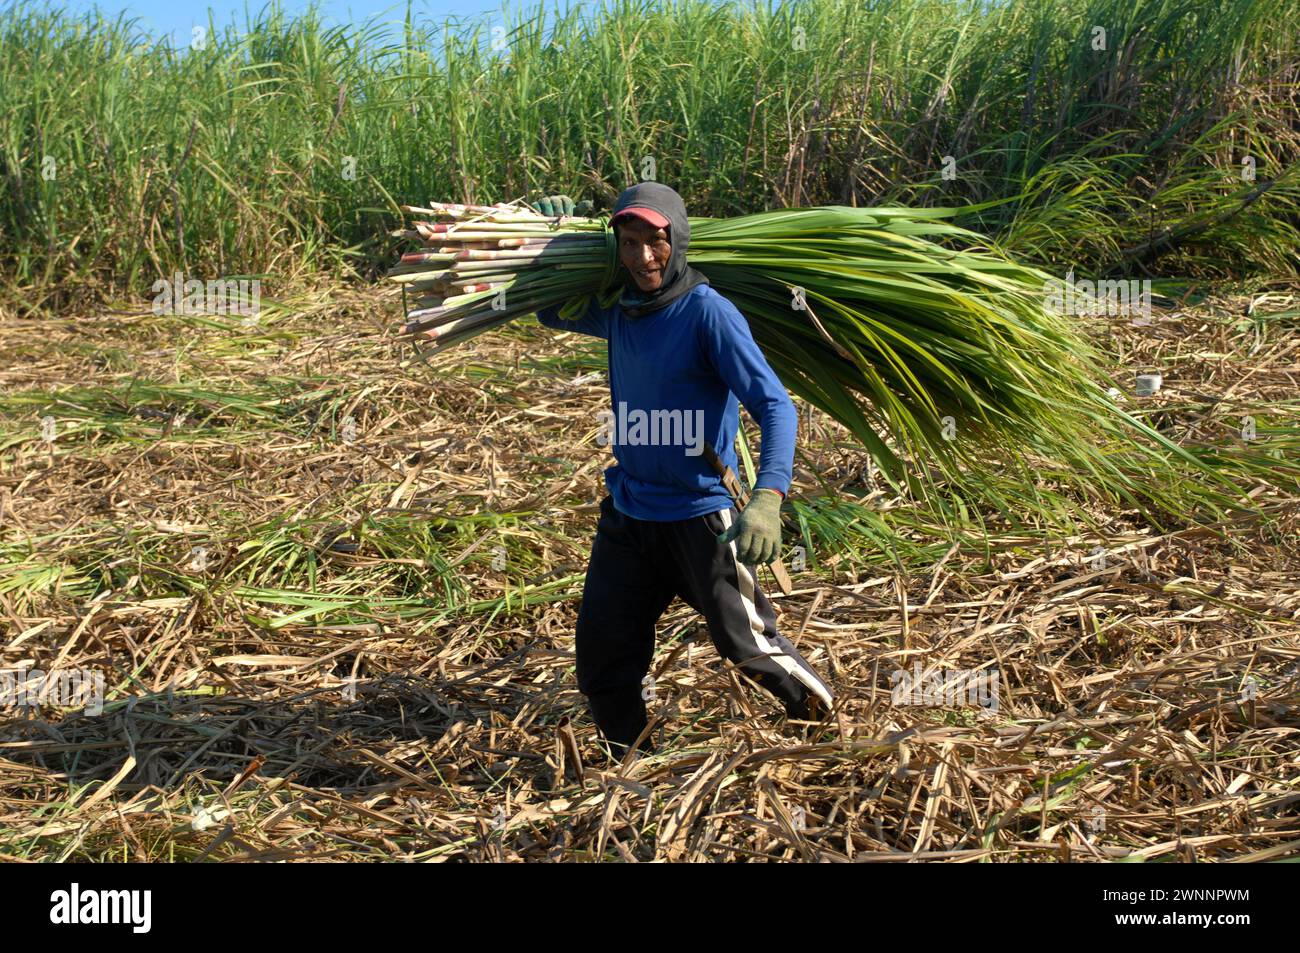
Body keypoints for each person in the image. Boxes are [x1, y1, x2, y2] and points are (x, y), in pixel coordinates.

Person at [534, 182, 834, 759]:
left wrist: (767, 497)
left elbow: (774, 404)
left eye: (656, 241)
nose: (643, 257)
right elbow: (547, 308)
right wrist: (550, 241)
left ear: (679, 238)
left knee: (747, 646)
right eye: (629, 243)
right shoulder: (620, 310)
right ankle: (634, 763)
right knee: (603, 654)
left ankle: (826, 724)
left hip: (700, 520)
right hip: (629, 514)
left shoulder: (707, 313)